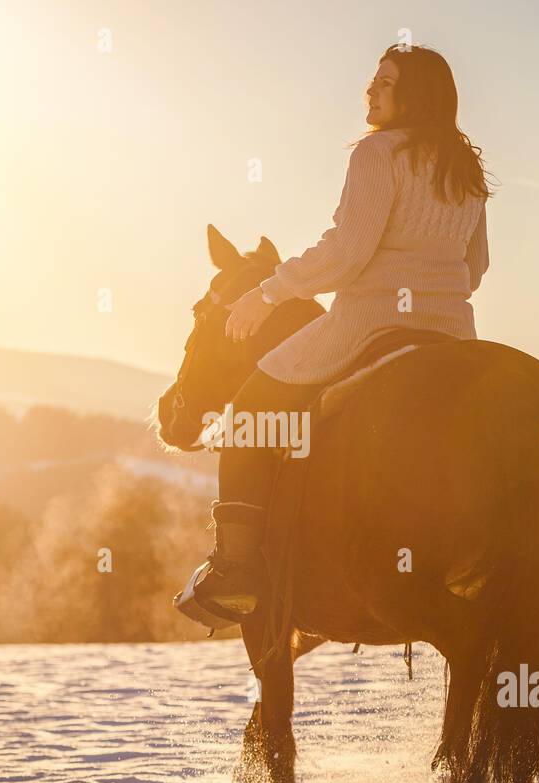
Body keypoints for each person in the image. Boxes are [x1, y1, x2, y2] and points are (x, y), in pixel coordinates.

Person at [181, 44, 493, 623]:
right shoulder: (466, 169)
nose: (370, 92)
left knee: (252, 407)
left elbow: (347, 254)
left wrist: (267, 292)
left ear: (414, 94)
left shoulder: (377, 153)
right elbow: (475, 268)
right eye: (372, 82)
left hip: (367, 323)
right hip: (454, 336)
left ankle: (235, 573)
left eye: (384, 83)